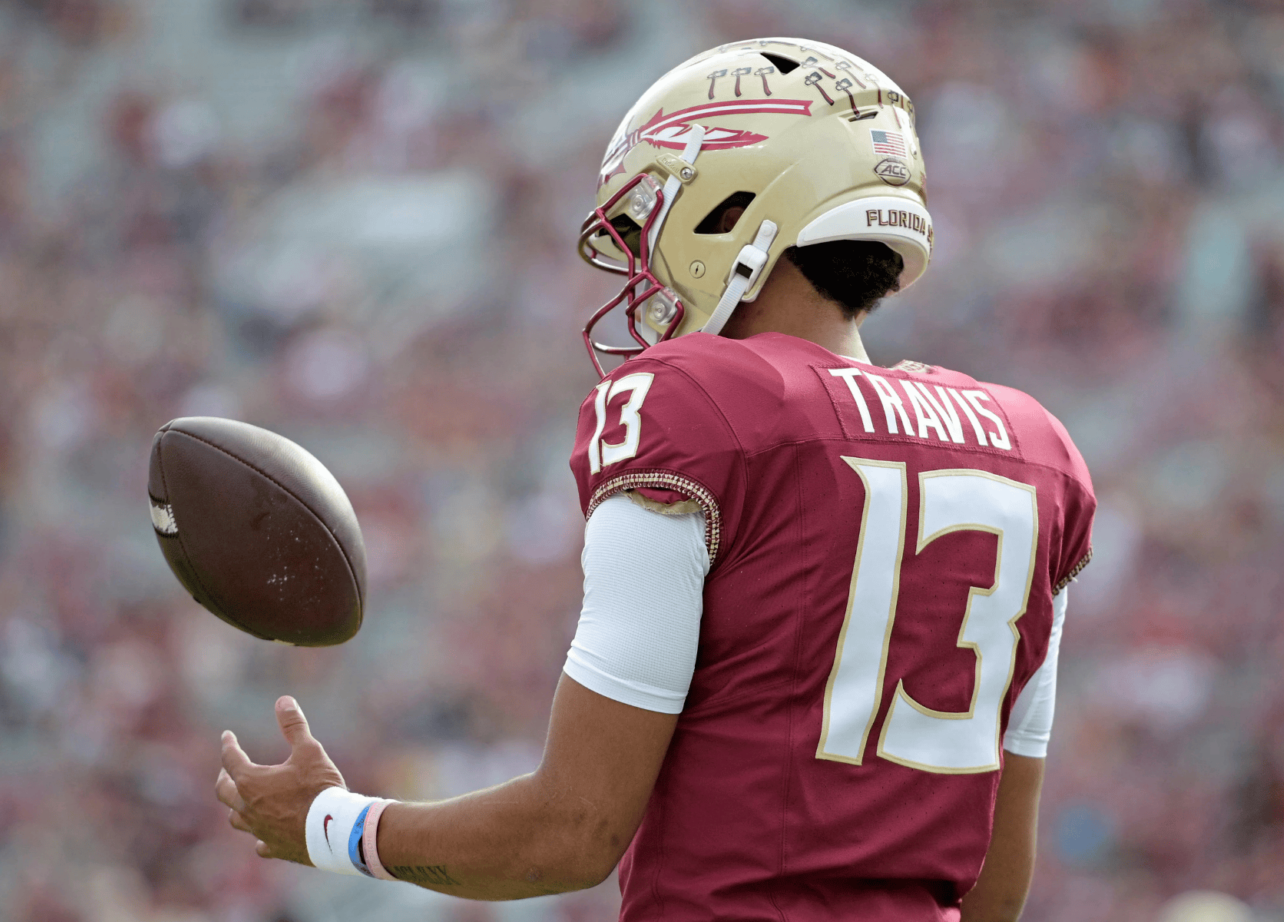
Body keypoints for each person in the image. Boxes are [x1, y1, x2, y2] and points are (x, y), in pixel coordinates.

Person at [215, 38, 1095, 922]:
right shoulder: (1032, 452)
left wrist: (331, 825)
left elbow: (572, 832)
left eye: (647, 228)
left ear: (734, 209)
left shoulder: (698, 407)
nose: (643, 267)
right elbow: (994, 888)